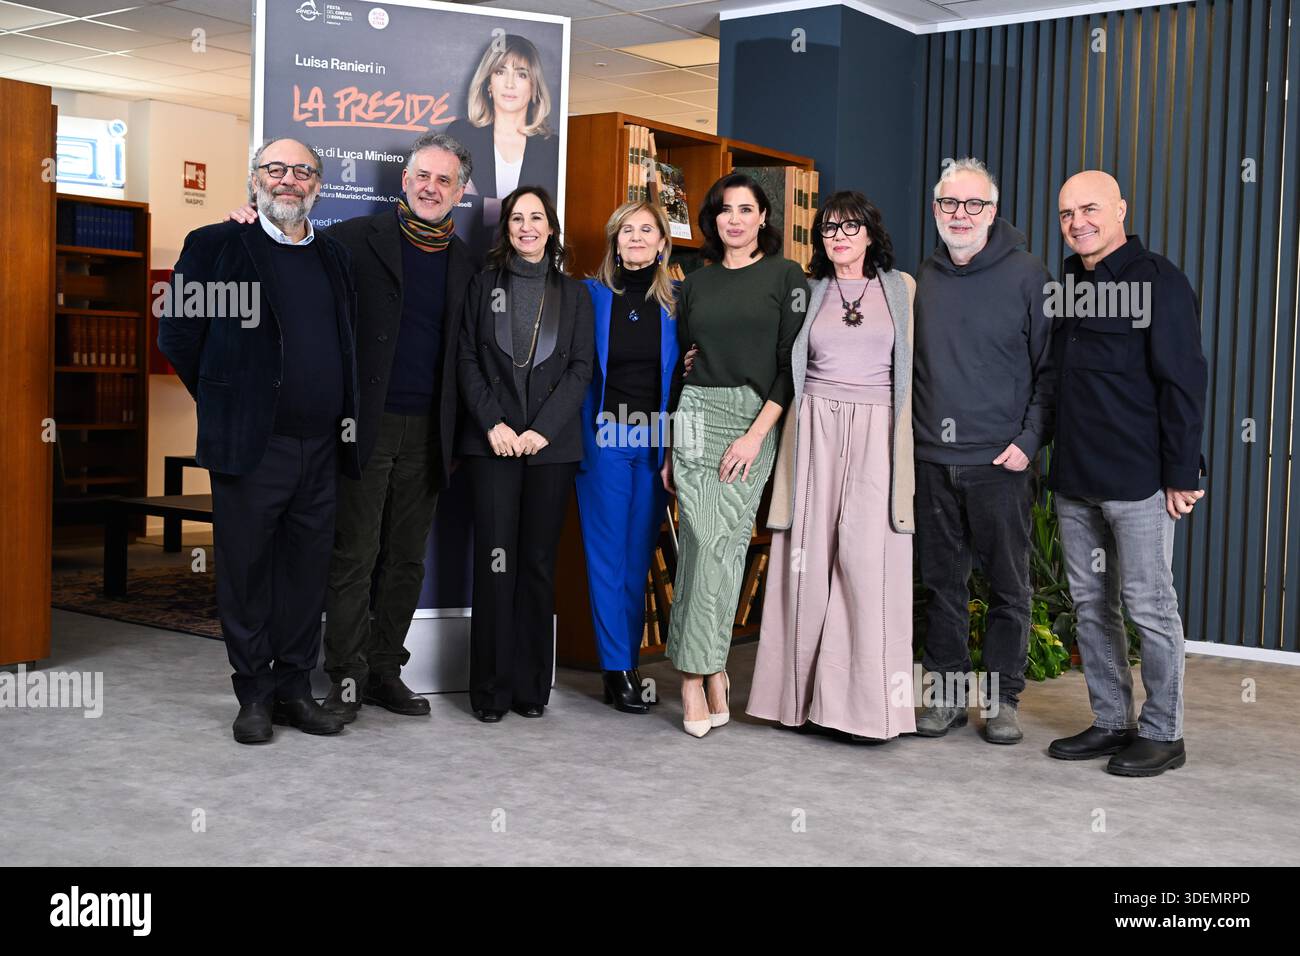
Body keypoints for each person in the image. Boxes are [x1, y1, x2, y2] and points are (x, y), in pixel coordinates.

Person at [224, 133, 480, 723]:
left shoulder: (467, 262)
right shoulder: (348, 242)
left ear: (460, 192)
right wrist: (243, 220)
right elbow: (281, 245)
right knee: (354, 554)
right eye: (422, 176)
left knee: (406, 559)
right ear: (404, 180)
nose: (431, 188)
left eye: (444, 181)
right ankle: (346, 675)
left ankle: (386, 670)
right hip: (361, 425)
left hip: (430, 430)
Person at [158, 138, 360, 744]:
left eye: (303, 171)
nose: (289, 180)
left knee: (306, 574)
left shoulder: (333, 255)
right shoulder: (217, 245)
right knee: (246, 574)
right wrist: (227, 400)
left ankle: (296, 688)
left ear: (318, 186)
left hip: (322, 446)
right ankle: (254, 693)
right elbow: (178, 336)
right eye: (276, 169)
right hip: (252, 446)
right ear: (254, 180)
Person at [1047, 170, 1207, 777]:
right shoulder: (1069, 281)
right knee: (1092, 606)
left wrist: (1183, 472)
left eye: (1089, 209)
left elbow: (1184, 382)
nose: (1077, 222)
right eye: (1066, 213)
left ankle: (1165, 733)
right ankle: (1112, 721)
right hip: (1075, 478)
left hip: (1140, 480)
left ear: (1120, 209)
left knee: (1149, 607)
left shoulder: (1160, 280)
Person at [746, 191, 917, 742]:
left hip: (877, 429)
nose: (839, 237)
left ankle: (864, 711)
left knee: (869, 567)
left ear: (871, 233)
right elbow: (768, 349)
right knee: (806, 560)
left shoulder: (902, 289)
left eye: (850, 227)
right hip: (812, 426)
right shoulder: (807, 291)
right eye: (828, 229)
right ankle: (794, 702)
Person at [911, 157, 1053, 745]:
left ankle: (1001, 703)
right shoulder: (922, 277)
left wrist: (1027, 442)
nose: (960, 215)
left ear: (992, 212)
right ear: (936, 210)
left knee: (1006, 585)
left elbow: (1051, 372)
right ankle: (944, 698)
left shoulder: (1028, 275)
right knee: (940, 584)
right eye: (949, 204)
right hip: (931, 460)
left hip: (1001, 463)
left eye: (973, 205)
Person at [662, 172, 808, 738]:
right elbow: (681, 365)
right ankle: (701, 674)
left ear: (763, 218)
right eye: (725, 210)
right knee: (700, 540)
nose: (735, 220)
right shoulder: (692, 283)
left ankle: (702, 670)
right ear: (713, 219)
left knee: (721, 544)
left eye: (746, 209)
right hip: (695, 416)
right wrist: (673, 449)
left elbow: (789, 364)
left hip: (753, 419)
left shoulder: (786, 276)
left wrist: (756, 434)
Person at [457, 186, 594, 722]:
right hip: (491, 444)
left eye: (537, 218)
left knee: (537, 565)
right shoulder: (483, 285)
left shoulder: (574, 295)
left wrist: (541, 431)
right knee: (496, 563)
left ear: (551, 228)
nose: (527, 226)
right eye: (518, 218)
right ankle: (489, 692)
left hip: (549, 448)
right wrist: (493, 422)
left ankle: (531, 689)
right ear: (507, 228)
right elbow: (466, 357)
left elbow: (581, 368)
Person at [575, 201, 679, 714]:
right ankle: (617, 668)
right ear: (615, 241)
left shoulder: (679, 302)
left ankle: (630, 658)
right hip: (605, 439)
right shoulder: (588, 296)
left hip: (656, 444)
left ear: (663, 242)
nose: (636, 238)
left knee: (637, 560)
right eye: (626, 230)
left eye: (647, 230)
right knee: (607, 557)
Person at [448, 35, 559, 252]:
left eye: (521, 74)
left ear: (534, 87)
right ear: (488, 83)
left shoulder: (551, 148)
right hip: (468, 256)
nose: (509, 84)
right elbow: (457, 205)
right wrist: (520, 212)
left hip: (528, 263)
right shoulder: (461, 135)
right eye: (500, 71)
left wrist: (486, 204)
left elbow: (550, 216)